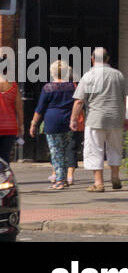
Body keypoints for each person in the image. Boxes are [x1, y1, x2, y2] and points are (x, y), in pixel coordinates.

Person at [71, 48, 128, 193]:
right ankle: (115, 177)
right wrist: (126, 117)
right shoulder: (118, 75)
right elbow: (125, 98)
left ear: (92, 58)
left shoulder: (88, 76)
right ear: (107, 58)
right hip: (116, 118)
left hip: (95, 119)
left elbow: (79, 101)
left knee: (94, 149)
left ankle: (98, 183)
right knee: (115, 148)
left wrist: (73, 119)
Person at [30, 60, 77, 189]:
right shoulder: (72, 87)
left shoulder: (48, 88)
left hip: (52, 122)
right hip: (68, 122)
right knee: (64, 151)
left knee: (56, 152)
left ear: (52, 73)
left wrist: (33, 124)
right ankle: (65, 178)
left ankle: (60, 180)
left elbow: (39, 109)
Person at [0, 74, 22, 164]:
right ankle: (6, 177)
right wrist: (21, 125)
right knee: (5, 157)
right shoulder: (13, 85)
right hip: (10, 127)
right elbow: (19, 108)